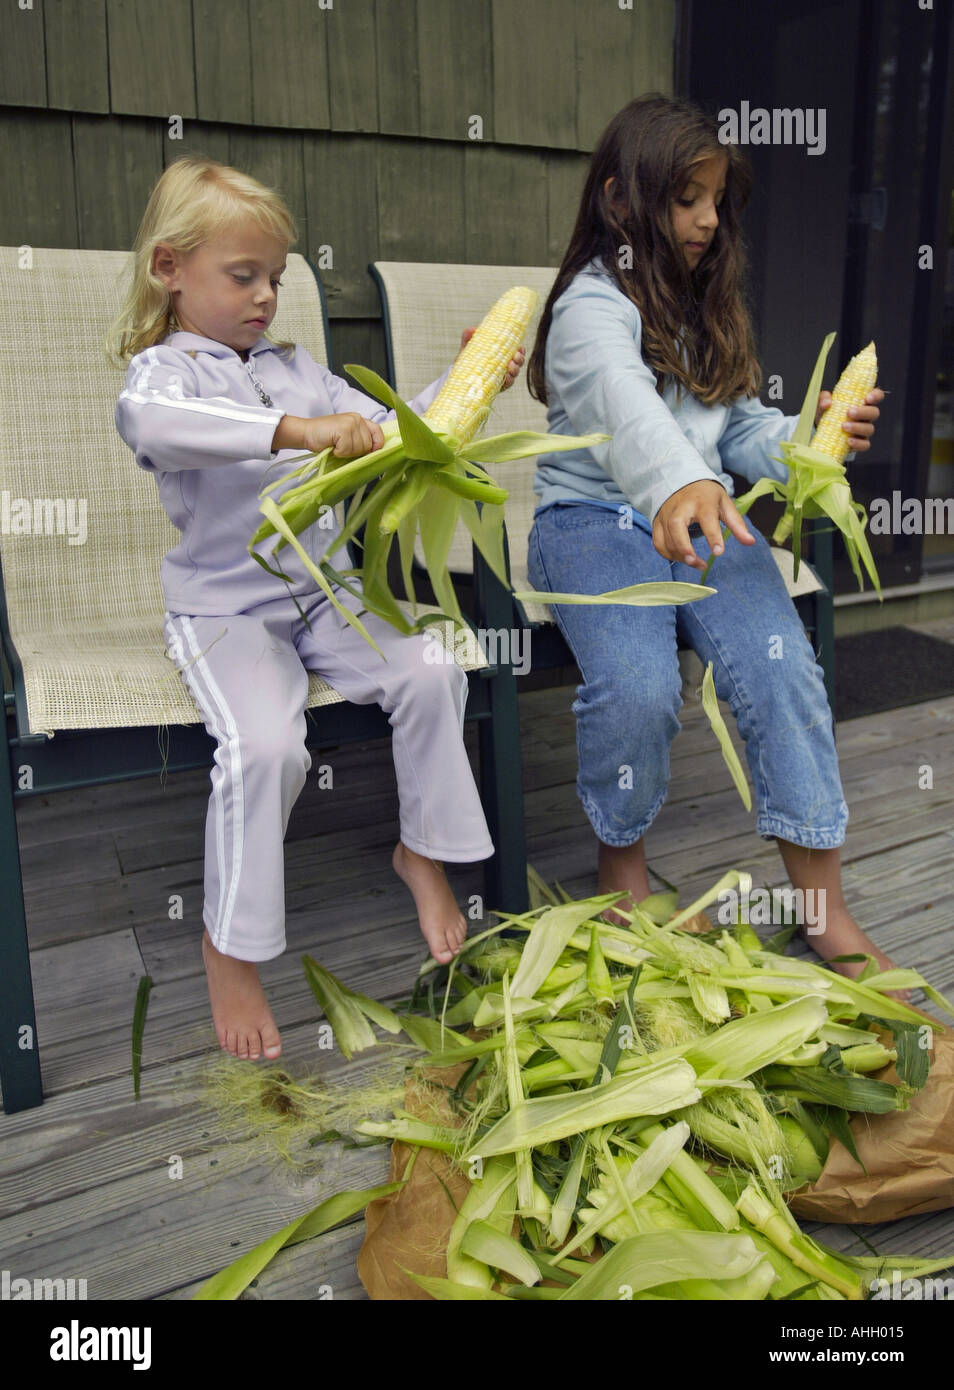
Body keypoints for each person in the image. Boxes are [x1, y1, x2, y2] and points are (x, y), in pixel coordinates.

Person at [108, 157, 523, 1062]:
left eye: (276, 278)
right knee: (266, 746)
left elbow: (387, 435)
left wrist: (467, 384)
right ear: (170, 269)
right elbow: (152, 430)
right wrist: (295, 433)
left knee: (433, 666)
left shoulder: (300, 369)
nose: (265, 296)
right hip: (228, 610)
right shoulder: (164, 377)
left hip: (327, 597)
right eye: (242, 275)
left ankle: (425, 853)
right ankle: (231, 945)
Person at [526, 94, 896, 981]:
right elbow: (625, 407)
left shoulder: (698, 307)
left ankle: (823, 907)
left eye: (715, 201)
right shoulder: (589, 308)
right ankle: (622, 860)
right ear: (620, 201)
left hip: (704, 517)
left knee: (782, 670)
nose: (704, 221)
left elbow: (732, 432)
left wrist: (806, 439)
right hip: (590, 524)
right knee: (640, 685)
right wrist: (681, 482)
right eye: (684, 199)